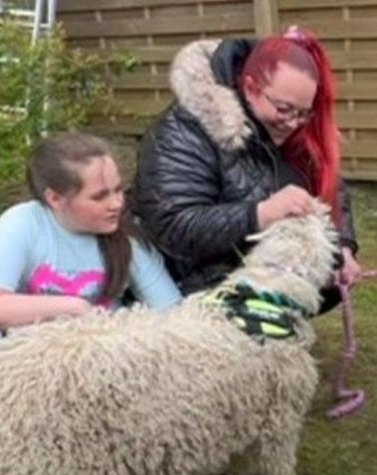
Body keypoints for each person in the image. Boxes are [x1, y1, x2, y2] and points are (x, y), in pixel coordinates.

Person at [131, 25, 359, 307]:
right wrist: (261, 214)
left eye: (303, 113)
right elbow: (173, 228)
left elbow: (331, 186)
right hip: (187, 280)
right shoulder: (181, 132)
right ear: (250, 87)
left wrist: (342, 248)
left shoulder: (292, 126)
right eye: (284, 109)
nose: (292, 122)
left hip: (256, 269)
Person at [0, 132, 182, 334]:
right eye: (99, 197)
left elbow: (175, 316)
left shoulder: (125, 239)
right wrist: (74, 308)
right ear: (55, 199)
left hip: (107, 355)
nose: (117, 204)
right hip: (30, 358)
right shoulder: (22, 225)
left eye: (118, 190)